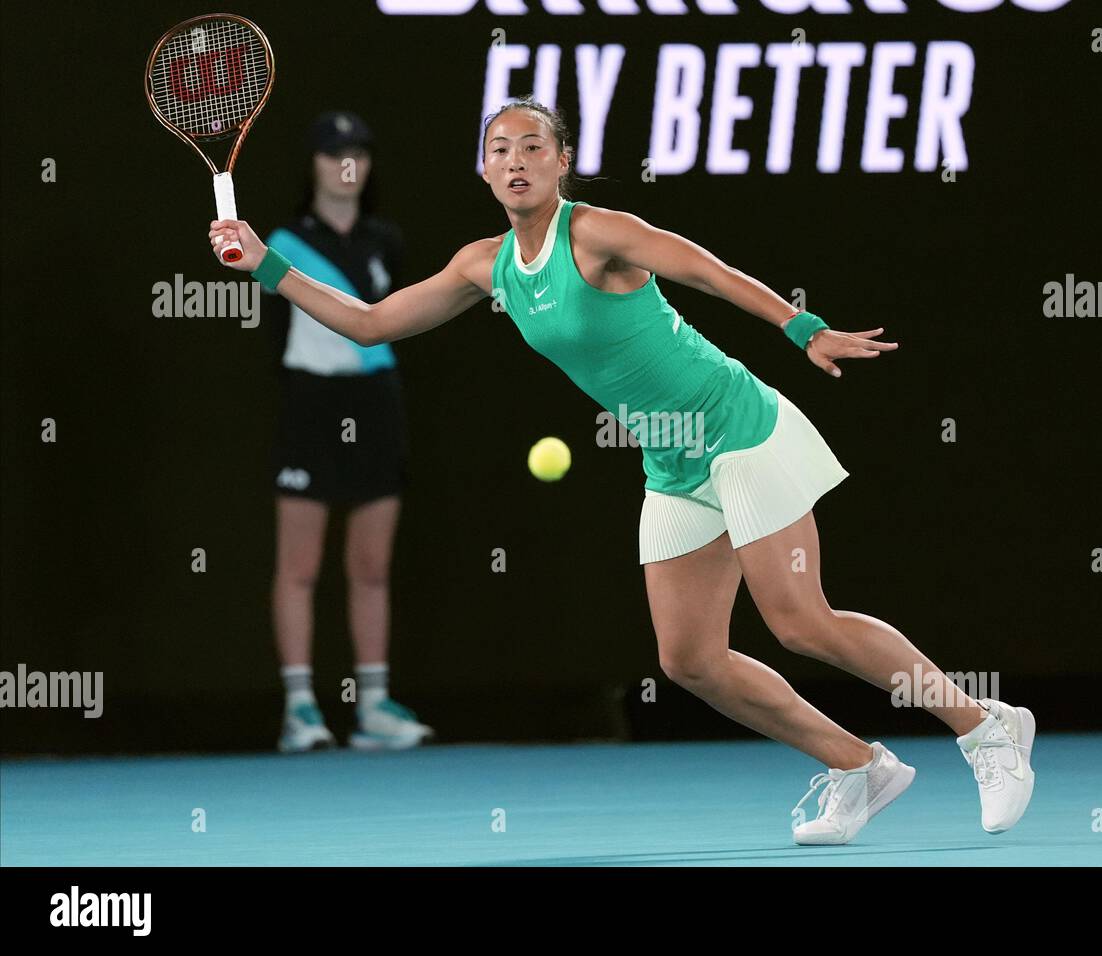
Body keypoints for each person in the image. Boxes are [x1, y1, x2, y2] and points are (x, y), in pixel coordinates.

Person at [210, 95, 1034, 842]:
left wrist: (799, 326)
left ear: (561, 161)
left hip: (738, 428)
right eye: (499, 149)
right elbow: (371, 322)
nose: (516, 160)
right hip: (672, 459)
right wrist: (267, 268)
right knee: (690, 660)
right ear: (484, 168)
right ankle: (859, 766)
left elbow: (704, 269)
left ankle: (983, 726)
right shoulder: (482, 263)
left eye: (534, 146)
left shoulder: (597, 233)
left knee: (799, 622)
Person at [263, 110, 433, 752]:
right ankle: (301, 708)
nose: (346, 162)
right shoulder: (278, 241)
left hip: (377, 403)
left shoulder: (385, 240)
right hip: (309, 404)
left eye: (357, 151)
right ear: (312, 166)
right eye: (333, 152)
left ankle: (374, 707)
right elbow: (276, 333)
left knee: (371, 566)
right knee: (300, 565)